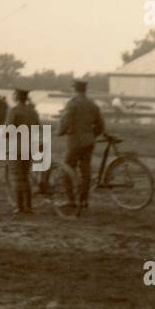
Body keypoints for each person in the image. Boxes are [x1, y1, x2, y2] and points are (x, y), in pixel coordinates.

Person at [58, 79, 105, 212]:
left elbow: (66, 122)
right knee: (86, 172)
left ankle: (70, 200)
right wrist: (90, 135)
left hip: (75, 142)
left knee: (66, 168)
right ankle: (84, 201)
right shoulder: (93, 104)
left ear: (75, 89)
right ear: (85, 89)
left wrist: (60, 132)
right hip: (89, 142)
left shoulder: (72, 103)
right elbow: (101, 126)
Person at [7, 88, 39, 215]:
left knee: (17, 177)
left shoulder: (14, 111)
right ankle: (29, 206)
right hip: (29, 147)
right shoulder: (33, 111)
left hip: (17, 147)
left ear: (17, 97)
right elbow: (38, 128)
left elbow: (9, 130)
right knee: (26, 176)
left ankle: (20, 206)